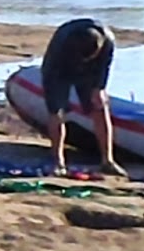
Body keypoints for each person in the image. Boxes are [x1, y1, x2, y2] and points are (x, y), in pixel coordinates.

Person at [40, 17, 125, 178]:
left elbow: (105, 66)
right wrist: (55, 99)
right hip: (59, 67)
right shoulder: (62, 42)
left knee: (100, 107)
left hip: (90, 71)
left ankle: (108, 161)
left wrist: (99, 88)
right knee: (56, 111)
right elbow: (51, 70)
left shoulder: (108, 41)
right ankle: (59, 162)